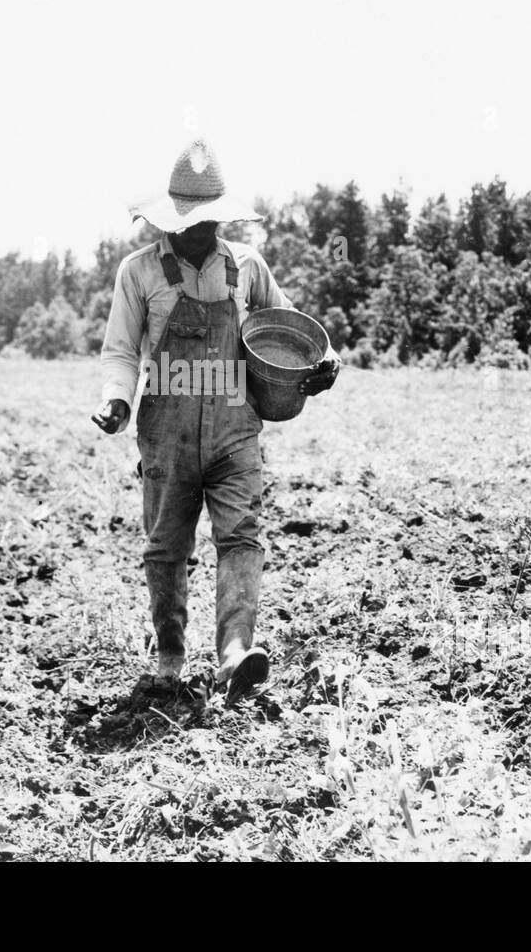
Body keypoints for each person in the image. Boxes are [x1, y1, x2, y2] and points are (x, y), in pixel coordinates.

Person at [91, 138, 339, 703]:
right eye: (188, 221)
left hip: (234, 429)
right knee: (166, 546)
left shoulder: (247, 267)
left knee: (242, 537)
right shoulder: (138, 273)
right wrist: (117, 400)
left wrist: (323, 362)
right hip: (167, 433)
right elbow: (121, 351)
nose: (197, 232)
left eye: (207, 222)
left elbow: (290, 331)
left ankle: (234, 653)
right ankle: (170, 656)